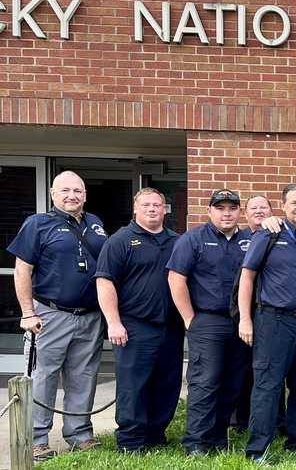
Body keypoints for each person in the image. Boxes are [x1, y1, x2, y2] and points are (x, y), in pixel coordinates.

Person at [7, 171, 107, 461]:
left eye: (77, 190)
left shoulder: (96, 224)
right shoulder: (38, 224)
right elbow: (22, 269)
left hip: (90, 316)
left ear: (85, 195)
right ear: (53, 194)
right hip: (51, 315)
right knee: (44, 377)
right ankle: (36, 439)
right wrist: (27, 312)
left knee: (84, 376)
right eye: (65, 190)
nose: (71, 195)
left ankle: (79, 434)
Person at [238, 183, 296, 462]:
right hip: (274, 321)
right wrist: (245, 319)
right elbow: (247, 276)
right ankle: (257, 450)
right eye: (294, 203)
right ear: (284, 206)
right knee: (268, 386)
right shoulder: (269, 233)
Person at [94, 187, 182, 453]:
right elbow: (104, 281)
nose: (152, 209)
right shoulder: (120, 240)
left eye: (157, 205)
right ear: (135, 208)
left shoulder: (177, 241)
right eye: (146, 205)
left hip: (172, 327)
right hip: (134, 326)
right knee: (134, 387)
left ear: (164, 209)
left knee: (167, 383)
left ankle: (156, 436)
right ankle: (131, 442)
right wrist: (114, 322)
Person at [167, 189, 253, 455]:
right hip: (207, 321)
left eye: (232, 208)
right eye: (220, 208)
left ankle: (218, 437)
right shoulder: (193, 239)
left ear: (240, 211)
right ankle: (196, 442)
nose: (226, 213)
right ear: (209, 211)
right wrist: (189, 319)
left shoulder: (250, 239)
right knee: (205, 383)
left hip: (240, 323)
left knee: (233, 382)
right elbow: (176, 279)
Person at [232, 193, 273, 433]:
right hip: (244, 314)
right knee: (243, 370)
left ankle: (275, 420)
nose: (259, 211)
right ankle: (240, 420)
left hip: (270, 315)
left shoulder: (278, 235)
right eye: (253, 208)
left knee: (270, 372)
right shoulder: (240, 239)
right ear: (245, 214)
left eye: (263, 207)